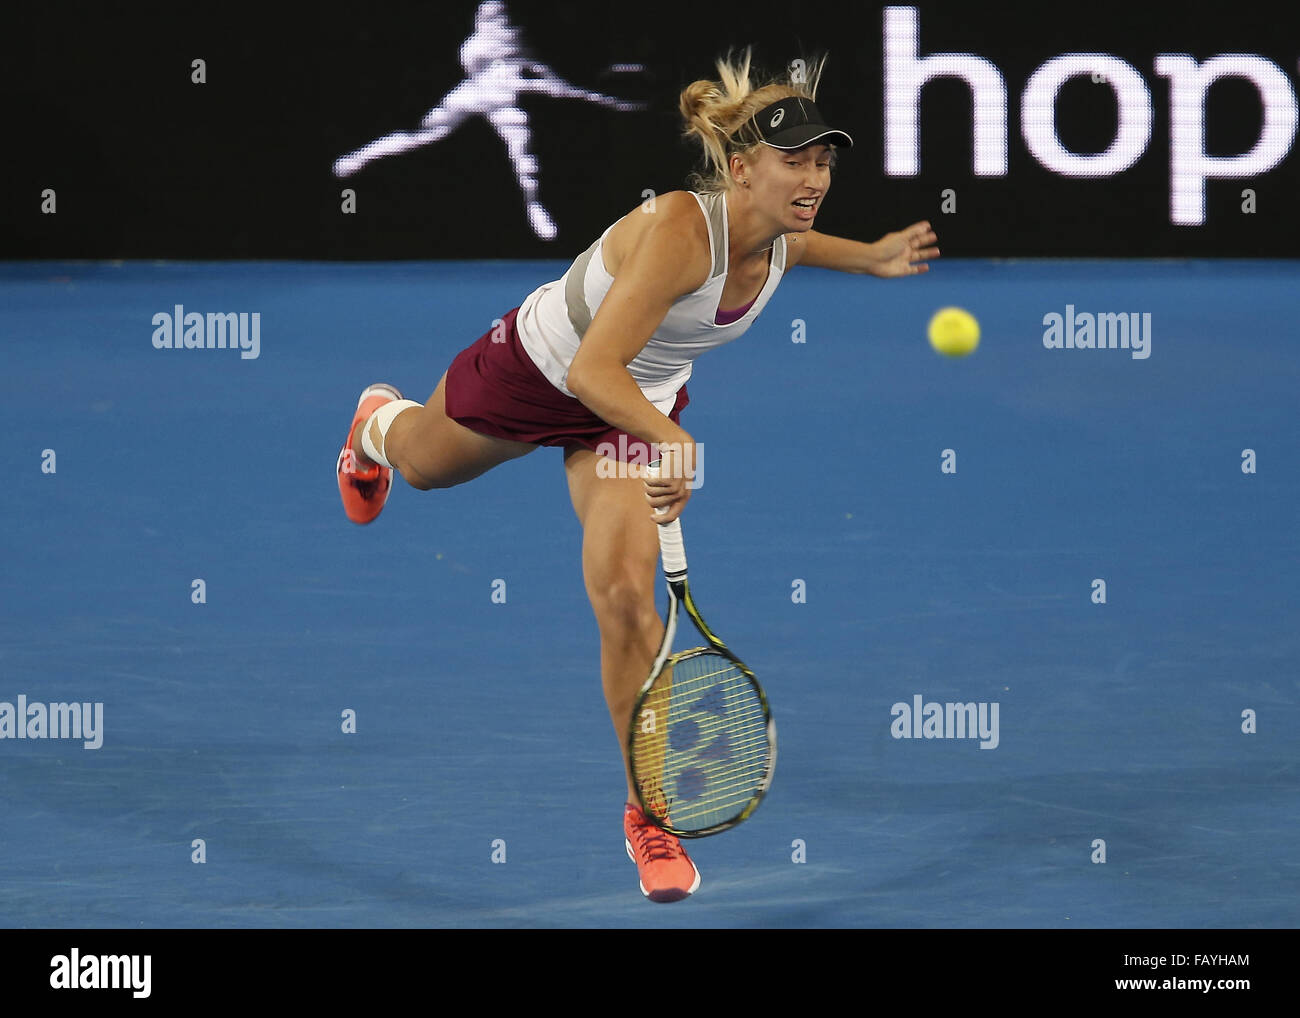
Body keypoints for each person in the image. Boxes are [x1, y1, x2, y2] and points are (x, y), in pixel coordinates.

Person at [336, 50, 939, 903]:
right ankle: (372, 424)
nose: (813, 178)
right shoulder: (681, 232)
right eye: (793, 161)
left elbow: (803, 249)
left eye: (823, 162)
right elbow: (590, 371)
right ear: (741, 169)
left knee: (625, 596)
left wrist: (874, 256)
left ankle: (647, 813)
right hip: (548, 367)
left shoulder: (782, 240)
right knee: (427, 466)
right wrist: (672, 441)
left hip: (629, 407)